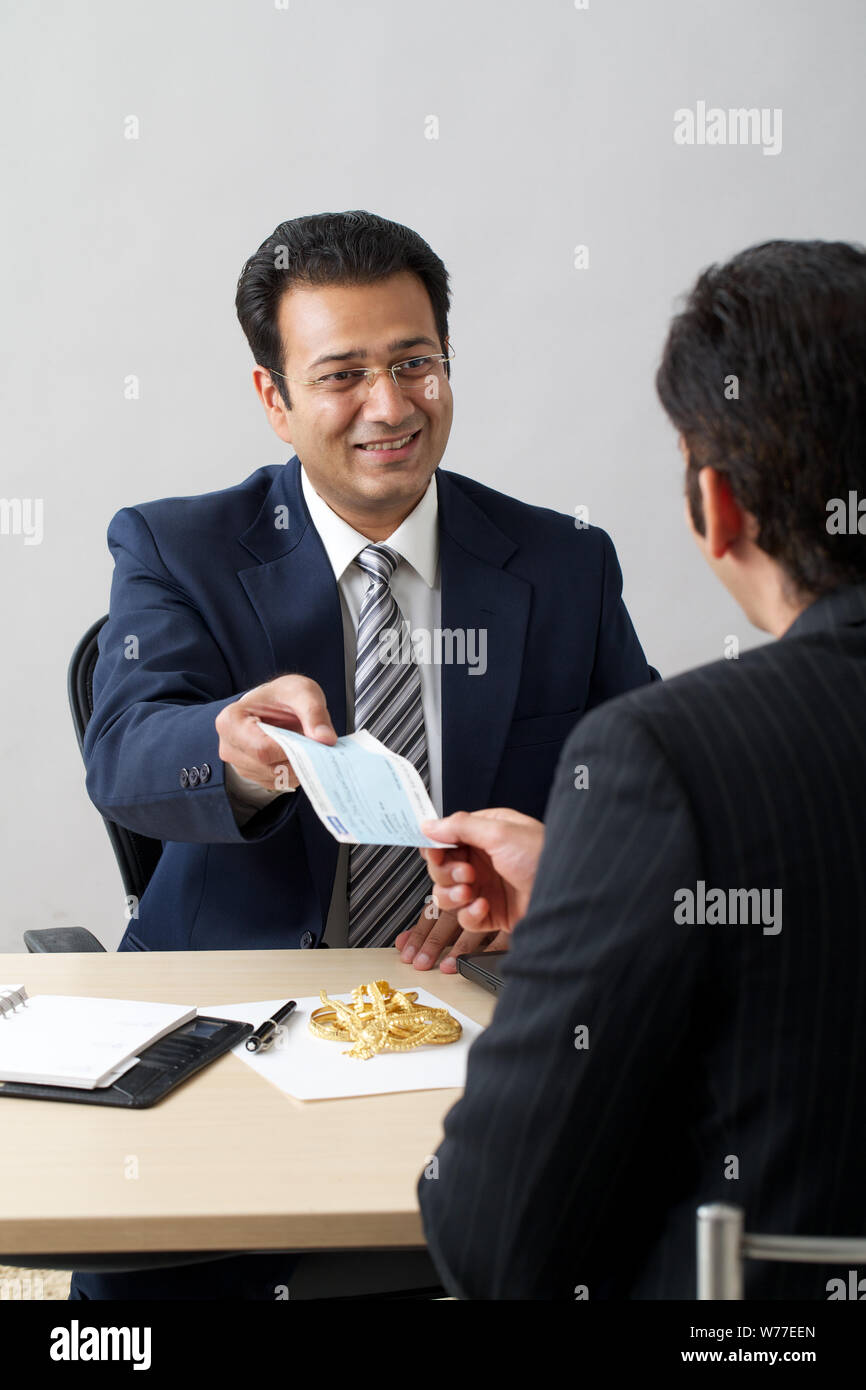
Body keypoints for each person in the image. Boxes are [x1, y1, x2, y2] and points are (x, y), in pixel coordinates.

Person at [71, 211, 656, 1300]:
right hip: (233, 1022)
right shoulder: (178, 546)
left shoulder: (561, 562)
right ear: (272, 398)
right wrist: (234, 749)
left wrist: (550, 867)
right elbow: (125, 752)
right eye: (341, 374)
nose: (389, 407)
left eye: (414, 363)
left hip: (475, 1017)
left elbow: (655, 794)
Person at [417, 239, 866, 1300]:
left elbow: (494, 1237)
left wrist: (597, 900)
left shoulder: (670, 756)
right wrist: (596, 872)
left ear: (714, 507)